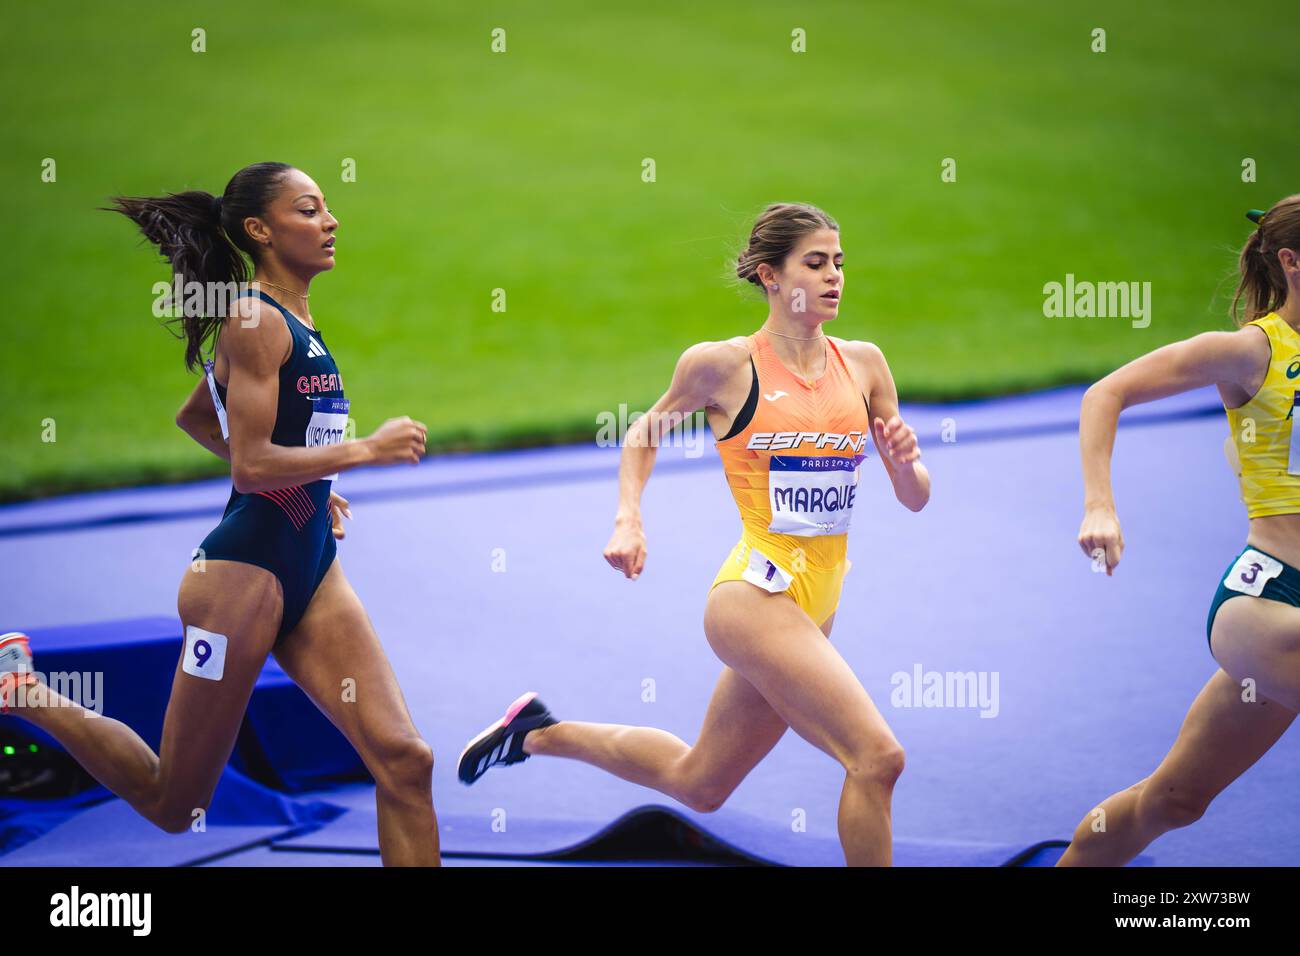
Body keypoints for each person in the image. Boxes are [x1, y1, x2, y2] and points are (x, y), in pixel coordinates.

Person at [457, 202, 930, 866]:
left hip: (816, 608)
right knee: (877, 758)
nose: (834, 277)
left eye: (840, 263)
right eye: (815, 263)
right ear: (770, 276)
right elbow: (643, 432)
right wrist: (628, 517)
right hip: (753, 599)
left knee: (699, 782)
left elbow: (914, 499)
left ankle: (537, 734)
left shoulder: (866, 366)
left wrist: (906, 462)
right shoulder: (724, 366)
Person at [0, 162, 439, 865]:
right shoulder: (253, 320)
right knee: (178, 804)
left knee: (405, 760)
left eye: (326, 208)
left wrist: (317, 485)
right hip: (240, 580)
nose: (330, 222)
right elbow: (250, 464)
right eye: (308, 210)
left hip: (311, 568)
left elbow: (201, 416)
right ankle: (23, 690)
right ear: (260, 230)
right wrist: (361, 451)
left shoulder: (292, 315)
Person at [1060, 197, 1300, 865]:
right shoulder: (1252, 351)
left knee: (1175, 800)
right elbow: (1105, 393)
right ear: (1291, 261)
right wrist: (1099, 504)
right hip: (1270, 602)